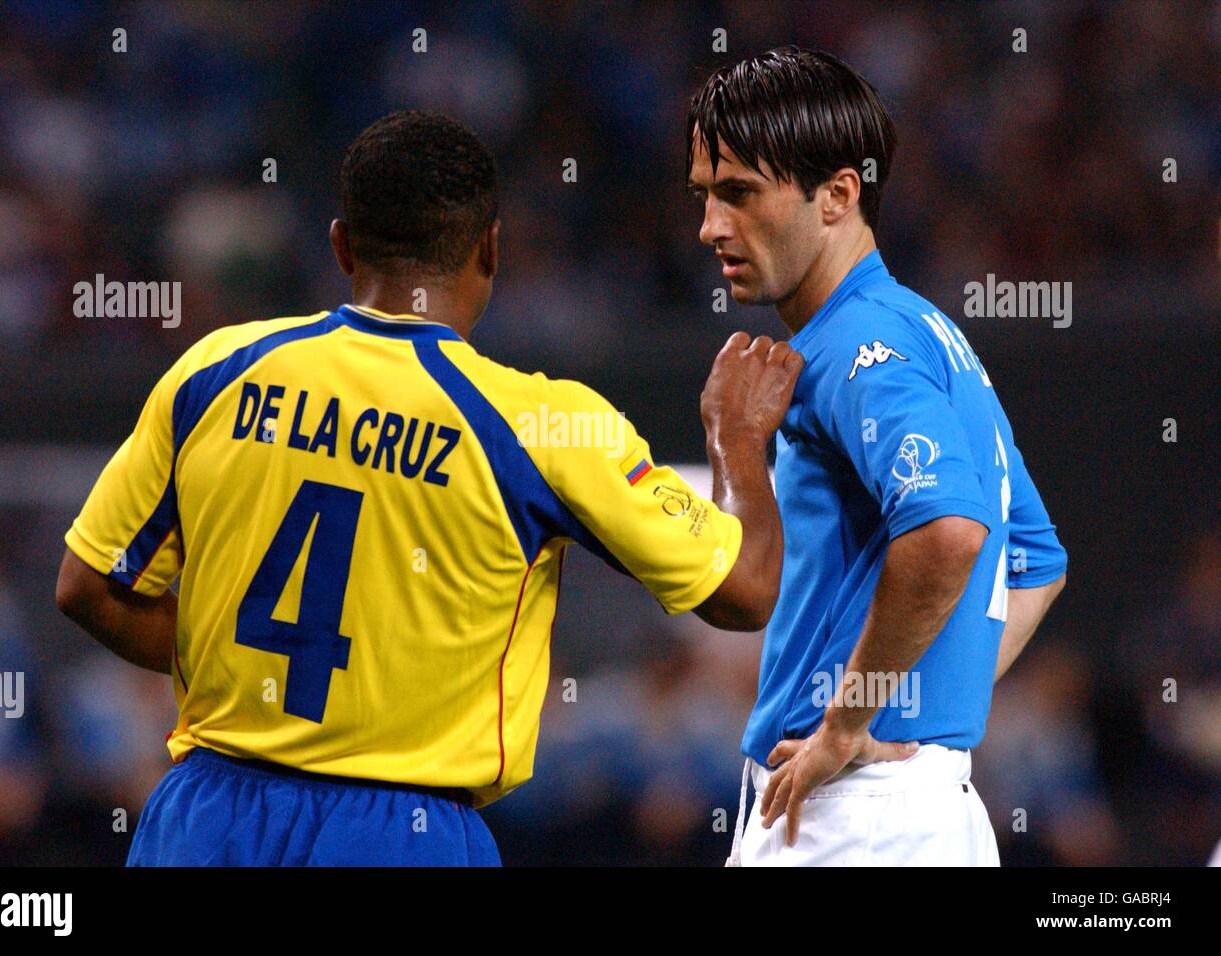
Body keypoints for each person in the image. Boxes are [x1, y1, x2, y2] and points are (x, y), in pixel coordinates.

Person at [55, 110, 803, 866]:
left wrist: (231, 666)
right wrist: (736, 440)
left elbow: (87, 586)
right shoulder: (541, 424)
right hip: (402, 831)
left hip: (205, 816)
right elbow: (743, 590)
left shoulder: (216, 370)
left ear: (343, 244)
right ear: (490, 247)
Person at [685, 48, 1067, 866]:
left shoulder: (863, 345)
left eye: (739, 192)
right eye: (706, 196)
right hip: (917, 808)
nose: (711, 225)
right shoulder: (930, 333)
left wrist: (851, 721)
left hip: (849, 819)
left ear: (839, 195)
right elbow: (1035, 564)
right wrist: (914, 705)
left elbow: (949, 533)